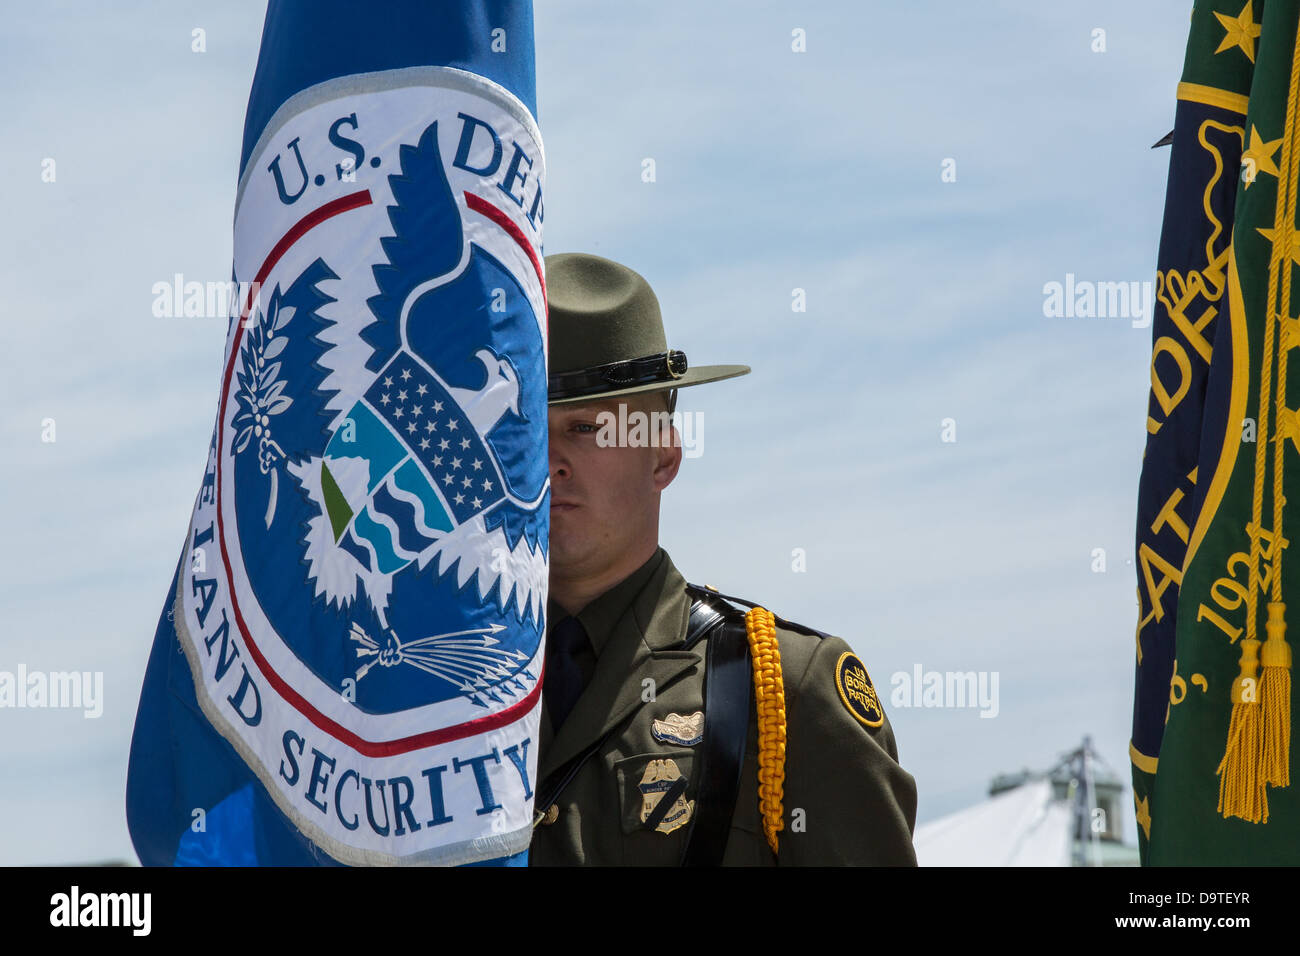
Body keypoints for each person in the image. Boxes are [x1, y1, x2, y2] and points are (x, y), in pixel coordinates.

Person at [529, 252, 918, 865]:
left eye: (586, 429)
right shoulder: (439, 677)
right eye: (528, 428)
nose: (549, 461)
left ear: (662, 455)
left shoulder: (784, 691)